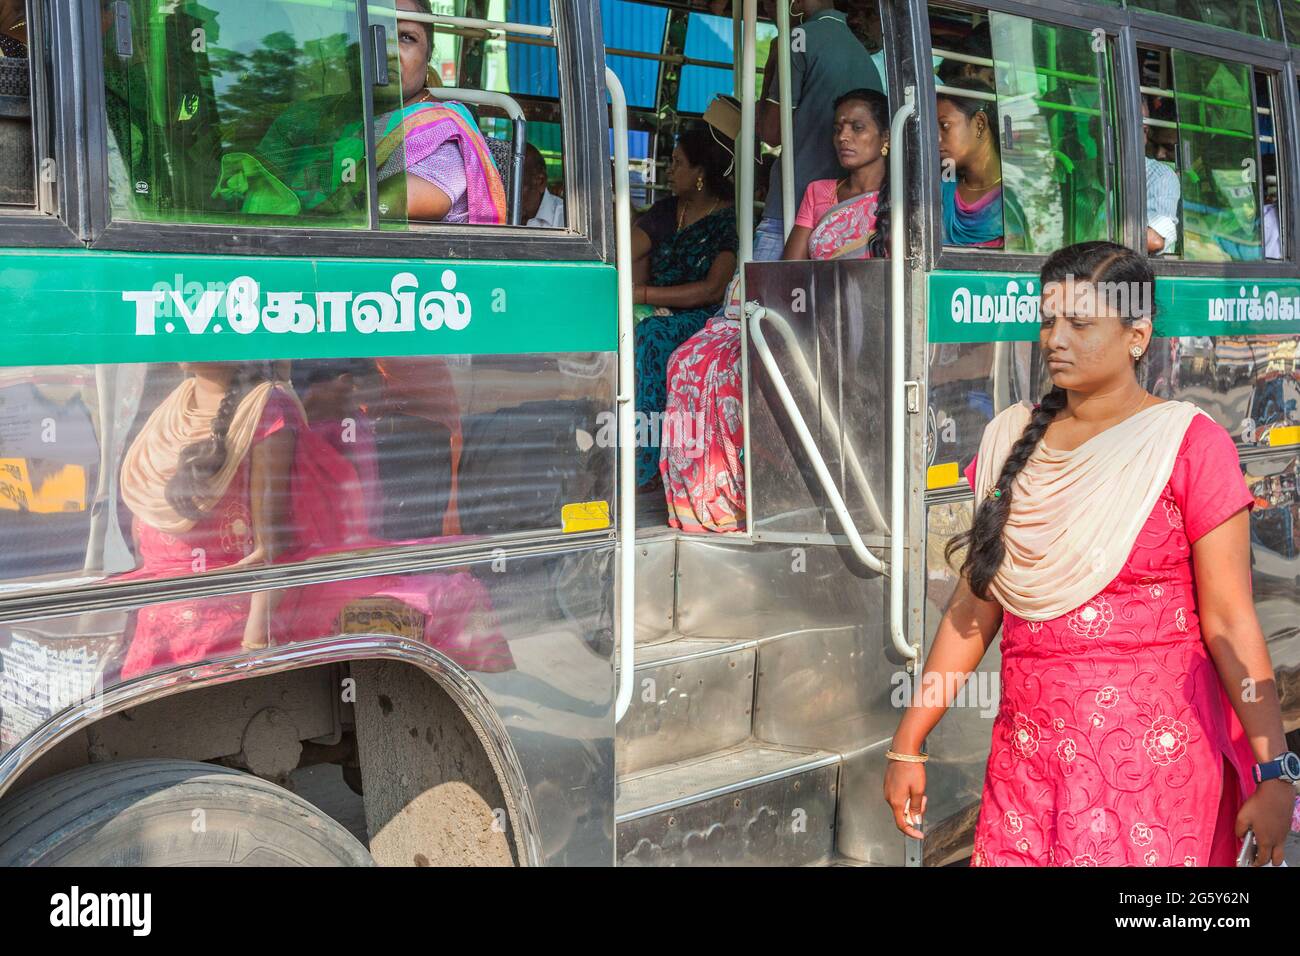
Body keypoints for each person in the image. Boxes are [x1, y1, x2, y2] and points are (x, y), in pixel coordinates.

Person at [884, 241, 1297, 867]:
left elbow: (1229, 622)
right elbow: (974, 612)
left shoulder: (1188, 445)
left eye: (1080, 323)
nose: (1056, 339)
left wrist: (1275, 770)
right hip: (1028, 773)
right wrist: (910, 740)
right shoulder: (1008, 439)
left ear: (1138, 334)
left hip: (1154, 781)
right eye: (1049, 320)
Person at [115, 362, 512, 679]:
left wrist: (254, 653)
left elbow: (272, 549)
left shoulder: (267, 408)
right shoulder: (172, 405)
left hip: (218, 621)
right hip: (160, 604)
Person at [631, 127, 738, 488]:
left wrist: (643, 295)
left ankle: (645, 463)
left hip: (701, 317)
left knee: (651, 334)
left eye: (677, 163)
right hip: (652, 306)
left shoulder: (728, 221)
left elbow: (712, 289)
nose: (669, 171)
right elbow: (625, 251)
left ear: (700, 173)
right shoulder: (665, 212)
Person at [753, 0, 882, 261]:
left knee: (754, 299)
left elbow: (770, 132)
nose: (768, 9)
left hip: (791, 198)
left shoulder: (799, 38)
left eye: (769, 3)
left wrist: (771, 65)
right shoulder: (864, 56)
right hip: (845, 205)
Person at [783, 88, 892, 260]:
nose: (842, 137)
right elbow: (791, 268)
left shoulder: (900, 198)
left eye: (857, 128)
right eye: (837, 129)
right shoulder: (817, 192)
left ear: (886, 137)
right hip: (818, 286)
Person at [936, 79, 1013, 248]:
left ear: (979, 123)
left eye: (945, 125)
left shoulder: (1015, 197)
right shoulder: (942, 186)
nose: (937, 138)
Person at [1143, 98, 1180, 256]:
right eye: (1154, 144)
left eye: (1169, 148)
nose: (1159, 154)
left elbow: (1155, 240)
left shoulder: (1163, 177)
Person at [522, 142, 565, 228]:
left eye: (514, 189)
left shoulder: (565, 219)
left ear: (540, 181)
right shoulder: (492, 214)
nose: (504, 196)